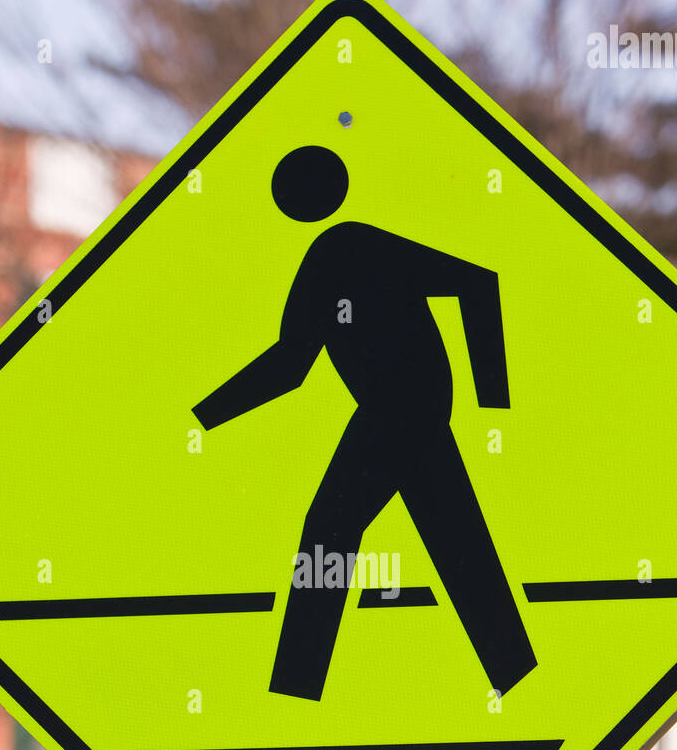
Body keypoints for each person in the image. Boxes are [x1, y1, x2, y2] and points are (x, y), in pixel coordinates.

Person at [194, 145, 535, 702]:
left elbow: (477, 283)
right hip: (398, 411)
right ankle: (517, 675)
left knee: (330, 531)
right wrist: (206, 415)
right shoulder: (326, 257)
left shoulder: (352, 244)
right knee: (454, 539)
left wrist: (493, 400)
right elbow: (291, 363)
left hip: (402, 410)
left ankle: (295, 690)